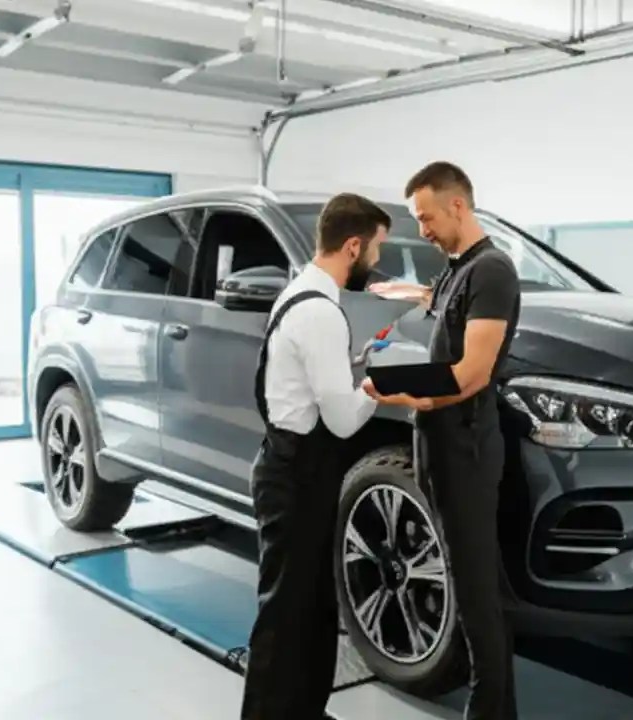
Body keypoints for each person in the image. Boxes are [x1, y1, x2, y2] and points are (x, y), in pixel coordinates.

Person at [240, 192, 417, 720]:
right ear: (354, 244)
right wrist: (382, 386)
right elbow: (341, 419)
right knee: (286, 614)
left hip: (290, 467)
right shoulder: (322, 312)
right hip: (298, 477)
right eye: (377, 250)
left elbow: (309, 381)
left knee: (312, 609)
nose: (378, 263)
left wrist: (359, 364)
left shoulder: (301, 296)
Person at [363, 161, 522, 720]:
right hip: (442, 445)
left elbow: (471, 373)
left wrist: (388, 387)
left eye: (426, 217)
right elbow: (442, 302)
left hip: (466, 448)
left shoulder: (493, 271)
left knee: (475, 594)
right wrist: (410, 293)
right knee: (479, 582)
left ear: (458, 206)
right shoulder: (460, 269)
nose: (422, 229)